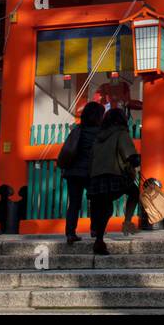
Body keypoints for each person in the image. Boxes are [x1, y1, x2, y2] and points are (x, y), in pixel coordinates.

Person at [88, 107, 141, 255]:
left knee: (104, 208)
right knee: (134, 192)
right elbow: (129, 154)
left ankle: (98, 238)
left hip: (96, 178)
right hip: (114, 175)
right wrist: (135, 160)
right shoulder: (121, 133)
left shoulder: (98, 138)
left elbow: (92, 158)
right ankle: (127, 222)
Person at [59, 101, 104, 244]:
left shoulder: (77, 129)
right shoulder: (100, 132)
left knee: (74, 203)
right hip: (91, 172)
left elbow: (69, 148)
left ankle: (70, 233)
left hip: (73, 172)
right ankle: (95, 230)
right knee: (96, 201)